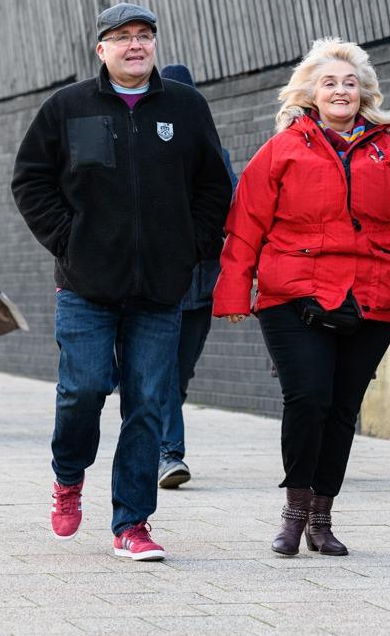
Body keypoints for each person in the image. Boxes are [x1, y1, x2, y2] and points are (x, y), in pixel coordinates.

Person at [213, 38, 390, 557]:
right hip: (293, 295)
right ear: (310, 92)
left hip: (372, 299)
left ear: (364, 93)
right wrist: (234, 294)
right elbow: (245, 224)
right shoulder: (281, 150)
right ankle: (293, 510)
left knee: (341, 408)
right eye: (329, 82)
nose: (340, 90)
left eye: (349, 83)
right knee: (308, 397)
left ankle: (321, 516)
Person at [12, 2, 231, 561]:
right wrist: (70, 240)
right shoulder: (68, 107)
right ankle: (68, 476)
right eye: (123, 37)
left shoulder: (185, 107)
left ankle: (131, 524)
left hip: (160, 288)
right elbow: (30, 180)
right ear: (101, 49)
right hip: (86, 284)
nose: (136, 45)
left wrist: (191, 249)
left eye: (145, 36)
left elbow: (214, 186)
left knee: (147, 404)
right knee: (82, 390)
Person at [155, 63, 237, 490]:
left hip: (203, 283)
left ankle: (155, 437)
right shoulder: (148, 145)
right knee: (165, 370)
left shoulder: (213, 152)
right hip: (160, 282)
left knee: (181, 373)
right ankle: (170, 453)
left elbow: (233, 207)